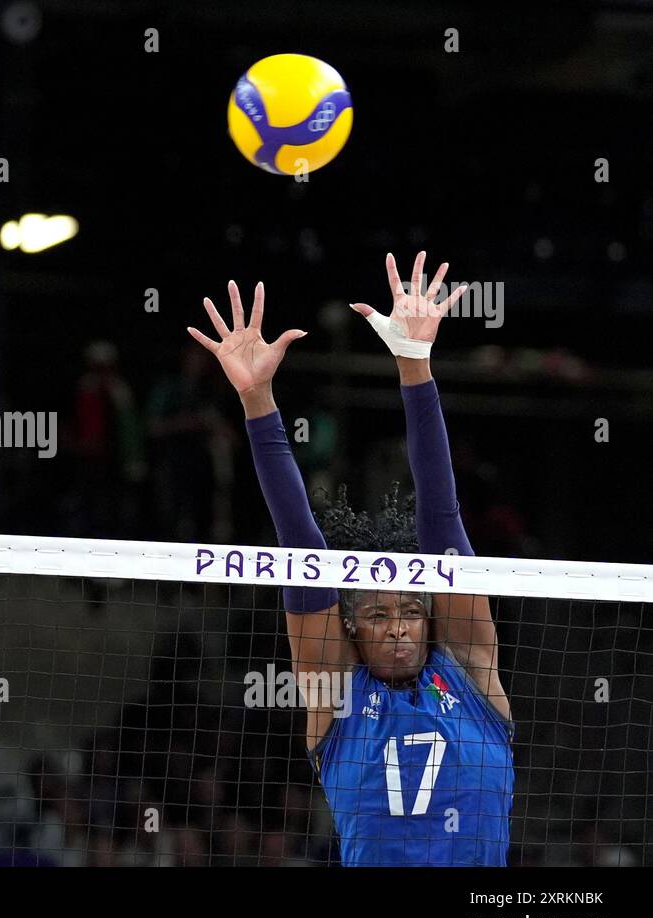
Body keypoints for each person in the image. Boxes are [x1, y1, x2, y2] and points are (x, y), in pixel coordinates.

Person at [187, 255, 513, 866]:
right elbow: (301, 550)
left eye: (411, 611)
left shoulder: (471, 673)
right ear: (350, 628)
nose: (396, 625)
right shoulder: (334, 695)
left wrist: (414, 364)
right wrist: (257, 400)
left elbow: (442, 521)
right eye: (378, 613)